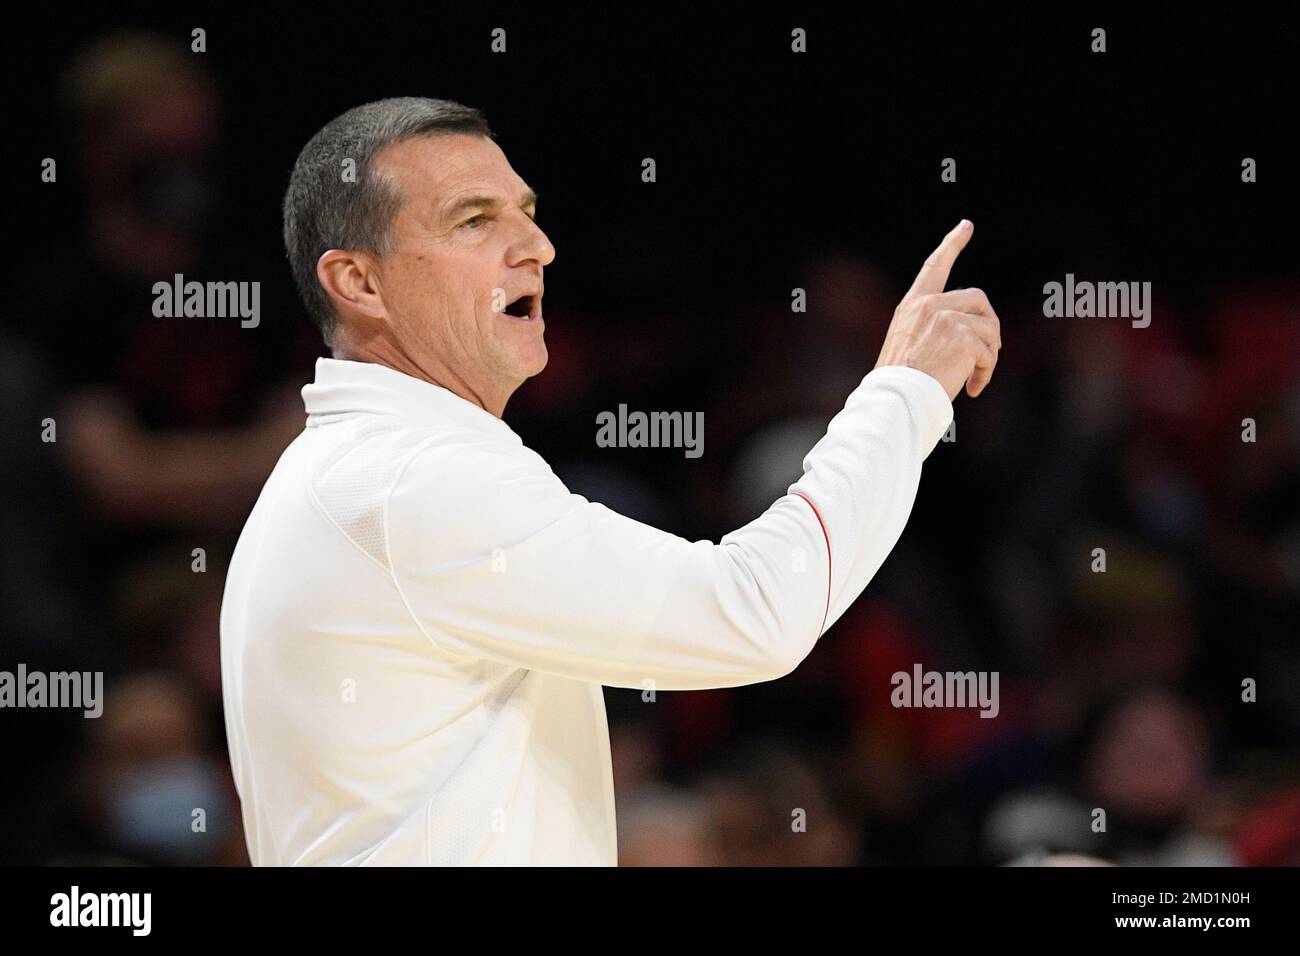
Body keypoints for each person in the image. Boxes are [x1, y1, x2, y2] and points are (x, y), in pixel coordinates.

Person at [220, 96, 1001, 865]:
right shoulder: (410, 479)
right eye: (474, 220)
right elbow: (758, 610)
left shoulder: (354, 468)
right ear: (359, 284)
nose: (538, 246)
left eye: (527, 211)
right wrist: (903, 392)